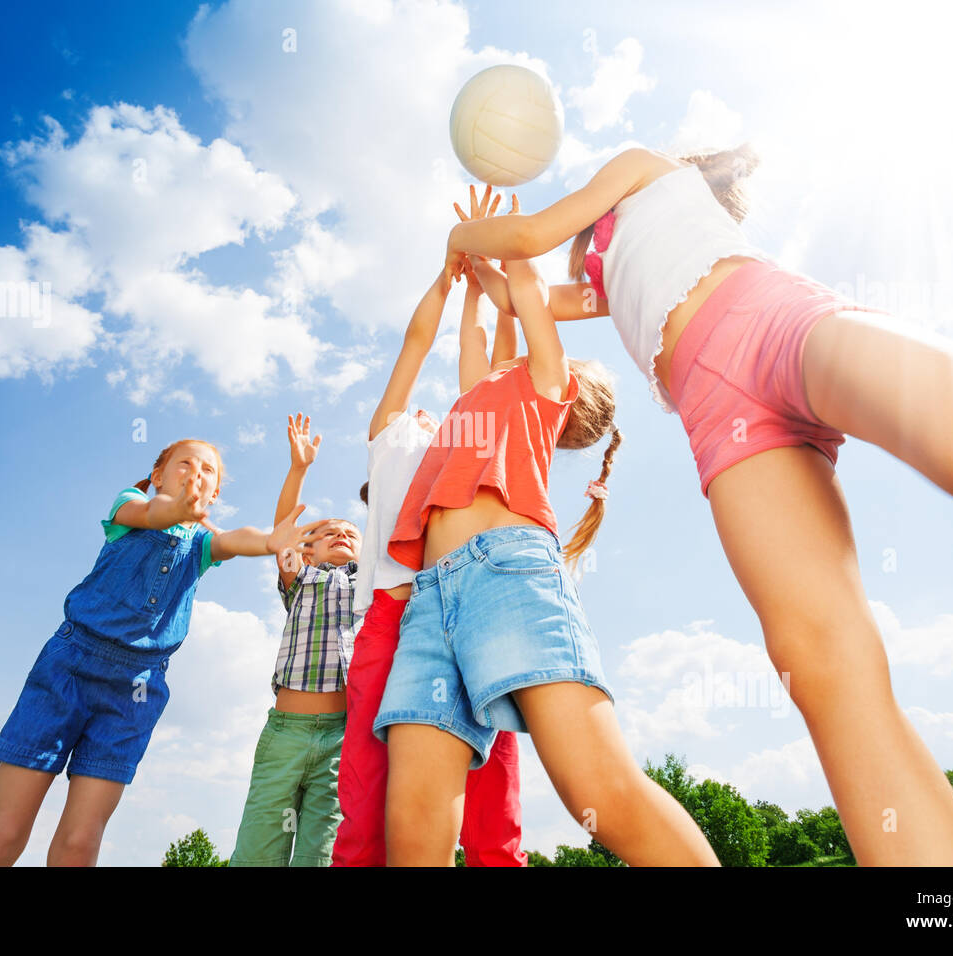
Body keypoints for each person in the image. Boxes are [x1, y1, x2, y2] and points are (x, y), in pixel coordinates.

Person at [444, 145, 953, 865]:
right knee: (822, 668)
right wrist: (481, 275)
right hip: (722, 423)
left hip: (770, 324)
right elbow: (518, 291)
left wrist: (461, 238)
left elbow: (528, 237)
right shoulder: (604, 281)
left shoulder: (646, 169)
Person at [373, 241, 720, 866]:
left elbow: (527, 298)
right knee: (415, 820)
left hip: (507, 574)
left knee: (600, 795)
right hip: (430, 599)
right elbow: (475, 343)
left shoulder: (544, 385)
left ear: (572, 391)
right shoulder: (485, 394)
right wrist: (474, 279)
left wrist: (506, 243)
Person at [0, 438, 319, 866]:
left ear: (216, 493)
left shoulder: (202, 546)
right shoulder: (128, 507)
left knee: (80, 842)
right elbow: (152, 513)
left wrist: (268, 541)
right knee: (3, 831)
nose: (197, 473)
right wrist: (177, 511)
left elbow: (235, 540)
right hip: (68, 671)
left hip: (136, 690)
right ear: (157, 476)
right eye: (186, 463)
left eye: (209, 471)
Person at [335, 185, 526, 866]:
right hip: (391, 617)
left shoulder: (471, 432)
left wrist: (482, 269)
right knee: (366, 792)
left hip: (468, 612)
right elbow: (417, 342)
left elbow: (498, 357)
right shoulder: (389, 436)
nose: (425, 415)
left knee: (491, 799)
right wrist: (444, 278)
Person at [229, 414, 361, 866]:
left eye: (351, 533)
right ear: (307, 550)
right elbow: (284, 529)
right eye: (329, 533)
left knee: (321, 851)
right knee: (259, 847)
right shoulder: (302, 579)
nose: (341, 535)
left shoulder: (370, 584)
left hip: (344, 740)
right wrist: (299, 469)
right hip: (286, 732)